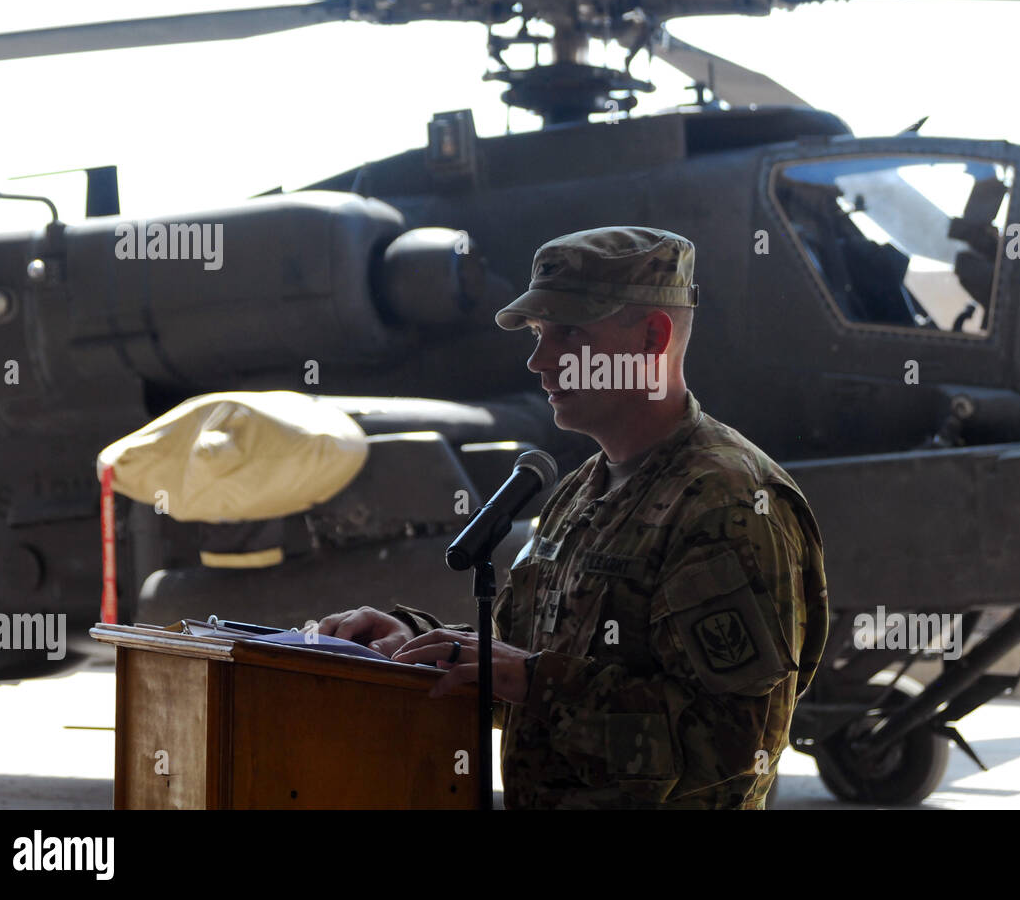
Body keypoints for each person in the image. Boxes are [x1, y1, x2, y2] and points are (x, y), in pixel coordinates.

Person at [319, 226, 828, 808]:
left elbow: (734, 747)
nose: (538, 361)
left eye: (568, 333)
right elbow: (520, 663)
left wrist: (534, 679)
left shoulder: (729, 502)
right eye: (538, 334)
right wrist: (418, 645)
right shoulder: (580, 491)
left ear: (652, 338)